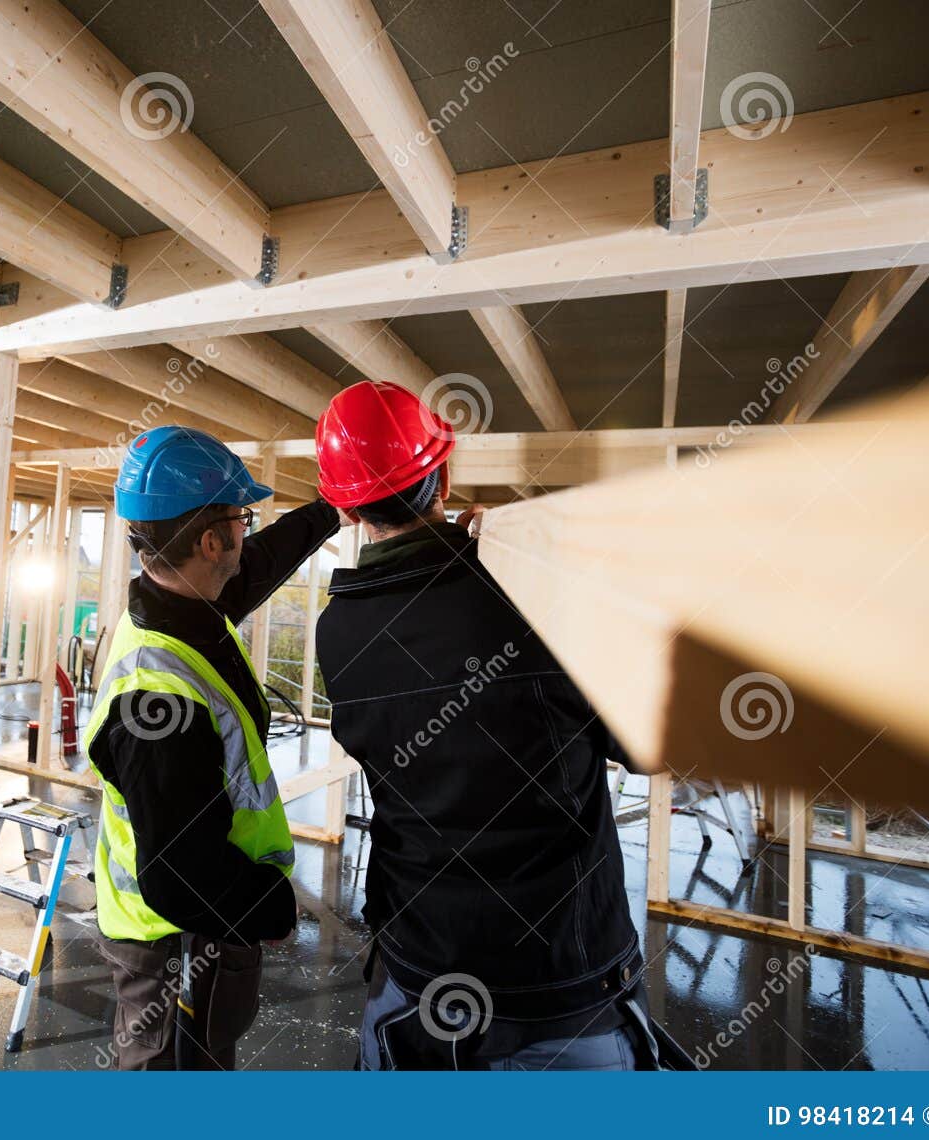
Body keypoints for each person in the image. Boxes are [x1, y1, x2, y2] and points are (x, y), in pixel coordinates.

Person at [313, 380, 656, 1071]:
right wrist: (528, 565)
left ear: (346, 507)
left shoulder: (337, 633)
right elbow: (643, 744)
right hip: (561, 983)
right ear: (441, 480)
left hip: (420, 975)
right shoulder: (535, 596)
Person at [86, 425, 338, 1069]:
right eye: (241, 521)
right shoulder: (157, 700)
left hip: (194, 936)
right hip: (173, 947)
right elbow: (177, 876)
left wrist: (331, 509)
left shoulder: (183, 602)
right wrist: (272, 908)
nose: (248, 534)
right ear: (209, 541)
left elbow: (259, 564)